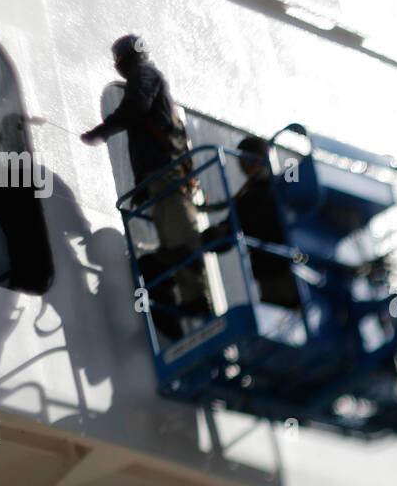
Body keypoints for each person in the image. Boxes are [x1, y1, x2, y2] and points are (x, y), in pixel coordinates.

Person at [81, 35, 208, 339]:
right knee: (172, 241)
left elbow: (136, 107)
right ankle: (192, 300)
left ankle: (198, 299)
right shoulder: (146, 76)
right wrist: (141, 185)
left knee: (181, 239)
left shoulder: (146, 75)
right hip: (158, 174)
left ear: (123, 61)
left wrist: (103, 130)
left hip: (166, 172)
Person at [200, 136, 300, 308]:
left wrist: (200, 240)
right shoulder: (280, 187)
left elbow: (230, 231)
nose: (241, 165)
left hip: (273, 275)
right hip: (289, 270)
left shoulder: (255, 193)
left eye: (243, 159)